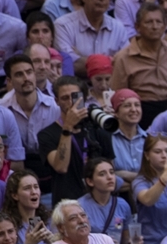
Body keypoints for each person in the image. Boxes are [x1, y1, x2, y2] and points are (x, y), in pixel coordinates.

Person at [38, 76, 115, 205]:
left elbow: (110, 167)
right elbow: (61, 167)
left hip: (99, 202)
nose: (70, 102)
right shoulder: (46, 134)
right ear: (56, 101)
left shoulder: (97, 129)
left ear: (84, 98)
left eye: (75, 97)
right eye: (64, 98)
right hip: (67, 203)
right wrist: (67, 127)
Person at [109, 4, 167, 125]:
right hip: (141, 115)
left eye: (158, 22)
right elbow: (119, 95)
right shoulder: (123, 58)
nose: (154, 27)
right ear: (137, 27)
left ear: (165, 26)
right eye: (149, 22)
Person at [0, 55, 62, 178]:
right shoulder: (1, 111)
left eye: (29, 72)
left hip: (52, 171)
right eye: (19, 74)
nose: (26, 78)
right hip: (16, 175)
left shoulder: (55, 107)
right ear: (9, 81)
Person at [53, 0, 129, 77]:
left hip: (110, 88)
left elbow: (125, 64)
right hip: (78, 88)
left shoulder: (118, 27)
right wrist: (110, 61)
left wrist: (82, 57)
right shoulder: (63, 25)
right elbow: (71, 65)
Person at [107, 90, 147, 180]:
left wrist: (123, 175)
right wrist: (143, 178)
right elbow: (107, 177)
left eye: (137, 105)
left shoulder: (149, 139)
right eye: (127, 106)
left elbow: (155, 174)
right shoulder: (108, 139)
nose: (133, 110)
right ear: (116, 112)